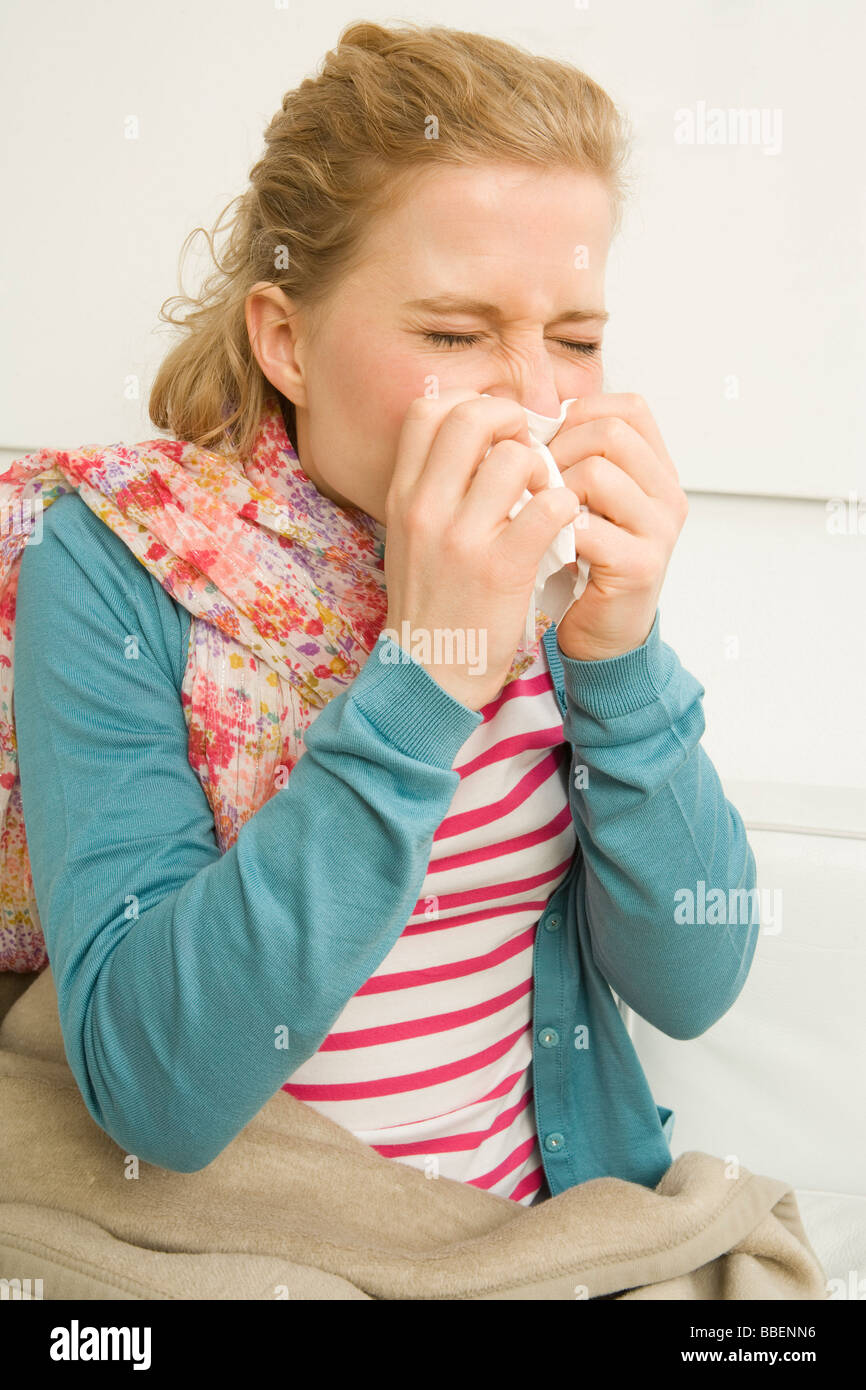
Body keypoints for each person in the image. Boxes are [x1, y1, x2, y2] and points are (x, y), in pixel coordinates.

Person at [7, 20, 759, 1206]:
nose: (530, 392)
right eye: (453, 334)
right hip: (235, 1245)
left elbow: (693, 981)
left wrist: (620, 658)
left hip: (528, 1241)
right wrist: (427, 672)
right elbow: (157, 1089)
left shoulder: (562, 573)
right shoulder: (113, 565)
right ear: (286, 340)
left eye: (575, 339)